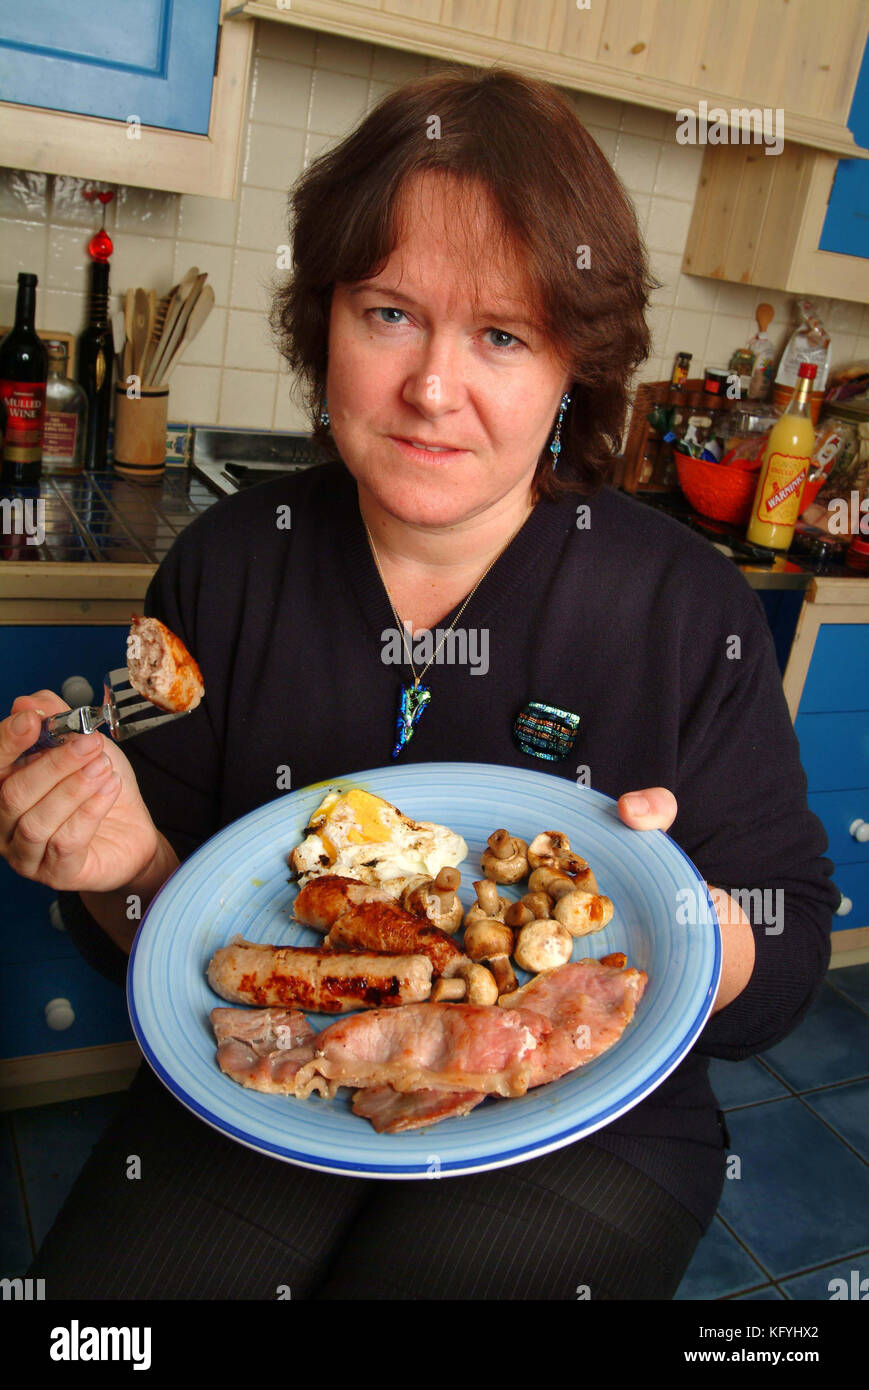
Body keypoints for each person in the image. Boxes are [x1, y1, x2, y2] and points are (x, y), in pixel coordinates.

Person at [0, 68, 835, 1300]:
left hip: (583, 1112)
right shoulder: (224, 568)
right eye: (388, 313)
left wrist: (708, 936)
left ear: (572, 370)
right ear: (323, 321)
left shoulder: (680, 605)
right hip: (270, 1073)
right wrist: (119, 863)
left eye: (500, 335)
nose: (431, 388)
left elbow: (793, 937)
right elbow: (163, 945)